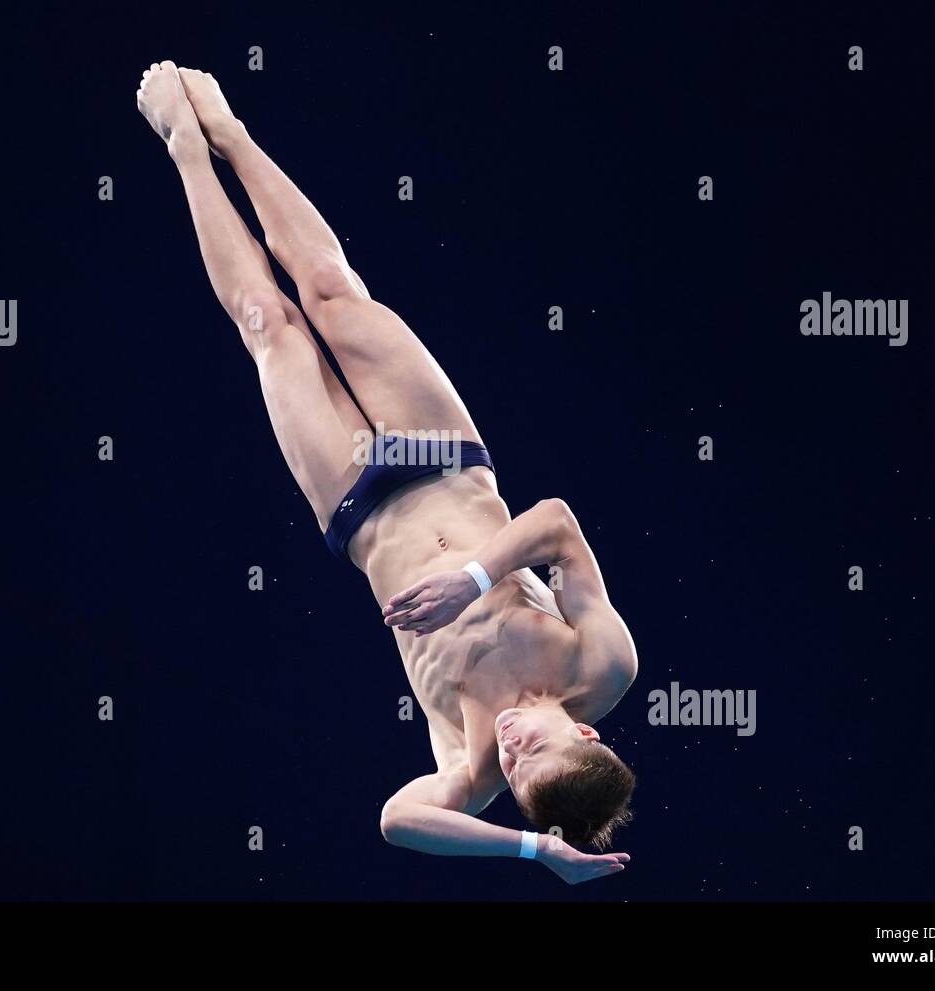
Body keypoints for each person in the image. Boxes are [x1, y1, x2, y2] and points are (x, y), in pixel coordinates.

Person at [137, 61, 639, 884]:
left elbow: (396, 821)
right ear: (585, 731)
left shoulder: (468, 767)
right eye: (533, 746)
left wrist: (532, 846)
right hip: (444, 455)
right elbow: (555, 519)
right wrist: (474, 578)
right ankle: (229, 128)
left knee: (271, 324)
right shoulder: (603, 667)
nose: (511, 748)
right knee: (331, 292)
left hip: (356, 507)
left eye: (516, 775)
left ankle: (186, 146)